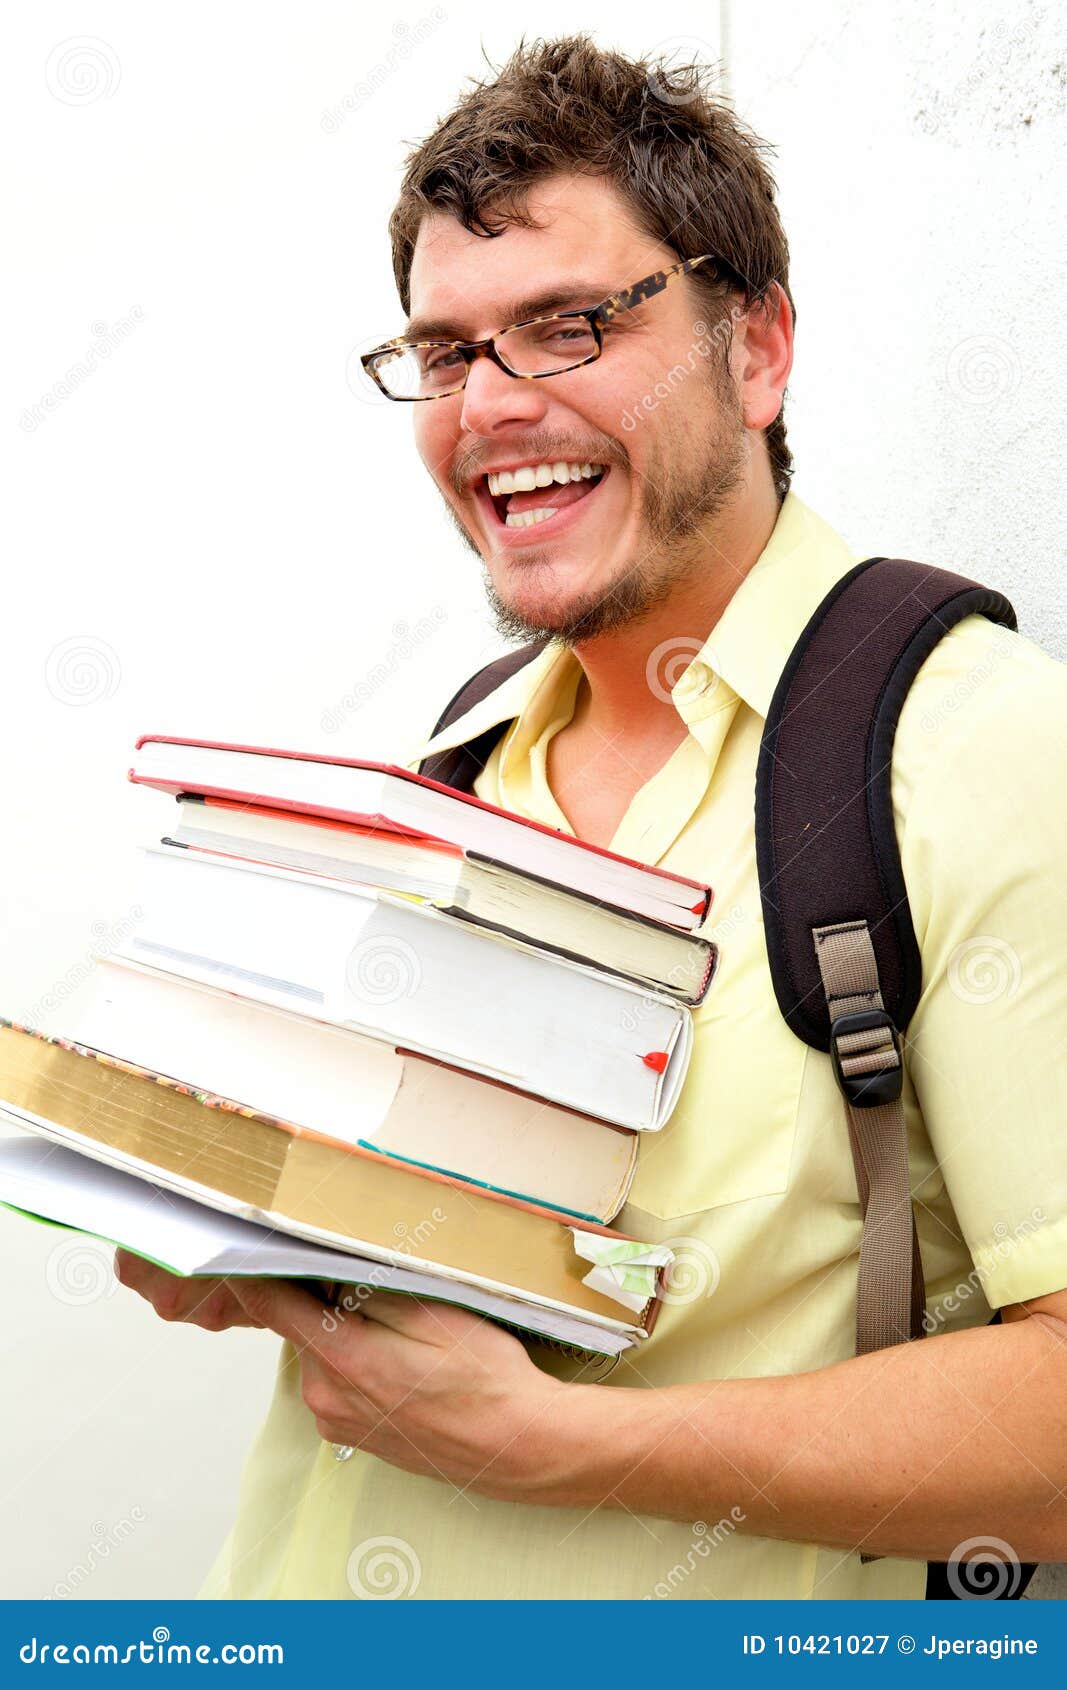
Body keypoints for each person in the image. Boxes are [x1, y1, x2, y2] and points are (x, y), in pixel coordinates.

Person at [116, 34, 1067, 1599]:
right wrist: (279, 1258)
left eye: (567, 327)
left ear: (755, 350)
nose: (489, 407)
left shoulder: (980, 746)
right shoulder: (458, 764)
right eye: (444, 352)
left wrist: (557, 1443)